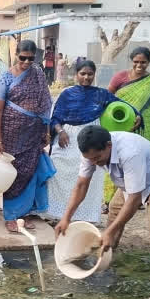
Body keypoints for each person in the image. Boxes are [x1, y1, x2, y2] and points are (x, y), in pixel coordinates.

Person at [55, 126, 150, 299]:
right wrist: (66, 218)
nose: (95, 163)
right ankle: (105, 260)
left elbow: (135, 199)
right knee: (114, 211)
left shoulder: (130, 152)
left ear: (108, 146)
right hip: (130, 183)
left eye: (98, 158)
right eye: (90, 159)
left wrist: (109, 231)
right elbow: (81, 185)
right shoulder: (90, 151)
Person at [0, 39, 54, 233]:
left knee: (30, 172)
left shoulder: (38, 74)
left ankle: (25, 213)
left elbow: (44, 104)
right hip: (11, 133)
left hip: (34, 132)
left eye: (31, 58)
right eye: (22, 58)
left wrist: (45, 131)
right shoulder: (6, 78)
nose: (27, 62)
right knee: (14, 173)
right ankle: (10, 216)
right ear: (16, 55)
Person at [47, 60, 118, 224]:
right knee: (58, 171)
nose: (86, 77)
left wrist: (135, 116)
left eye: (90, 74)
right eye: (83, 74)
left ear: (94, 75)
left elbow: (121, 107)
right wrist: (60, 131)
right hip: (68, 136)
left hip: (92, 137)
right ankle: (58, 215)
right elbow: (55, 118)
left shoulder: (101, 94)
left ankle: (85, 217)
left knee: (90, 177)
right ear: (76, 75)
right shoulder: (67, 94)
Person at [105, 46, 150, 203]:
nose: (139, 65)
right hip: (120, 124)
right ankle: (110, 199)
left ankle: (138, 198)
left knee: (138, 160)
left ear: (149, 62)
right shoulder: (120, 77)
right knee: (115, 158)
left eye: (143, 62)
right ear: (131, 61)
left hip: (144, 127)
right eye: (136, 62)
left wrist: (149, 111)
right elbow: (107, 98)